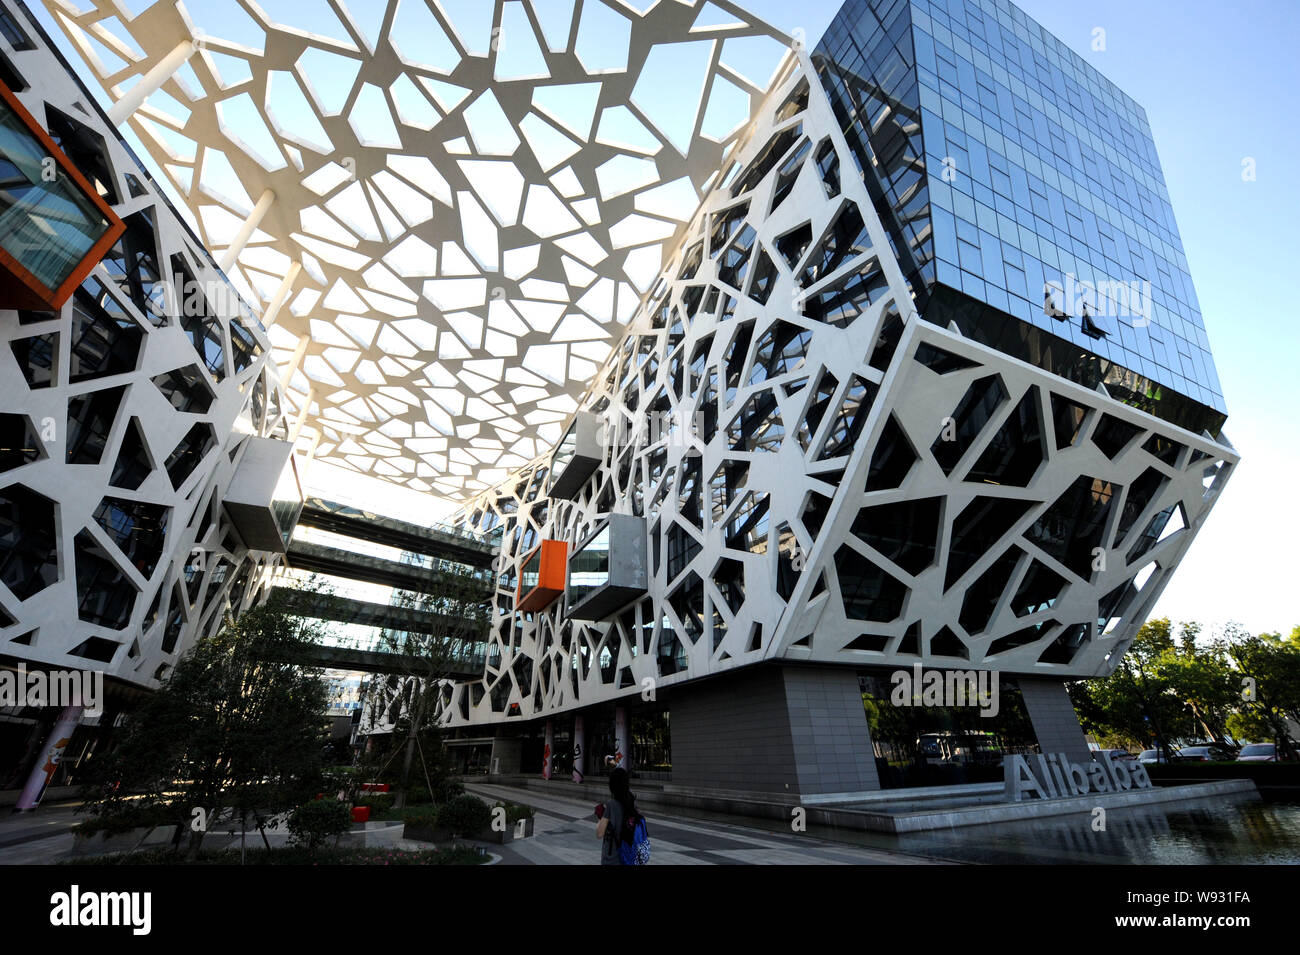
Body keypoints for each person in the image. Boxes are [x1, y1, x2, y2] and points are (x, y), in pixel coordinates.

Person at [595, 767, 636, 865]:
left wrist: (600, 817)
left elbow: (599, 833)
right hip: (629, 857)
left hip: (612, 857)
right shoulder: (632, 802)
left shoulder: (611, 805)